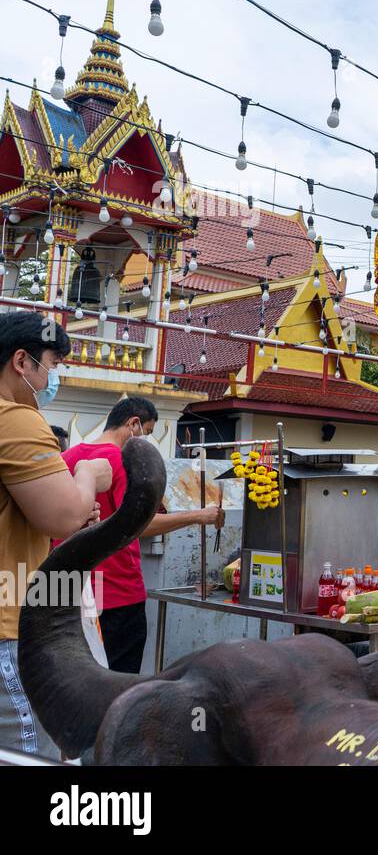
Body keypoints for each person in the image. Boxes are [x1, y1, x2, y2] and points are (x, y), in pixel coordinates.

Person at [0, 311, 113, 757]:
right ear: (22, 362)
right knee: (27, 756)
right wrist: (85, 476)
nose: (54, 378)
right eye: (53, 364)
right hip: (8, 630)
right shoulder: (16, 419)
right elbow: (65, 516)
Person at [59, 395, 224, 674]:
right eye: (146, 433)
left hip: (70, 594)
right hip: (117, 597)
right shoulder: (122, 461)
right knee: (117, 685)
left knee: (76, 681)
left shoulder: (67, 457)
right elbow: (138, 523)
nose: (144, 442)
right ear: (133, 424)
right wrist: (199, 516)